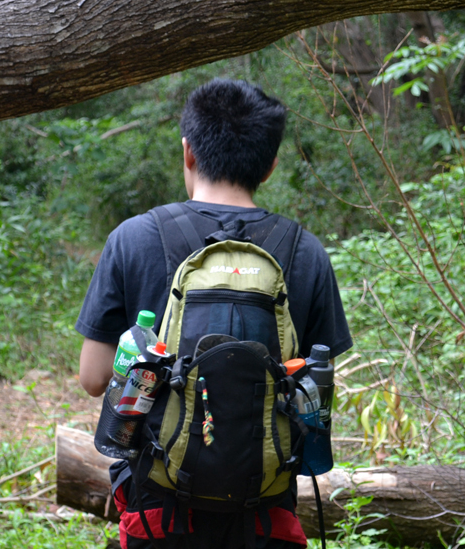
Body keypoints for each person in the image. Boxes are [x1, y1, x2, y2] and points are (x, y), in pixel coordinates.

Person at [75, 78, 353, 549]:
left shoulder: (133, 238)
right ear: (270, 166)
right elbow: (315, 392)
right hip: (264, 513)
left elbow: (93, 377)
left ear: (188, 152)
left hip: (158, 511)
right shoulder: (305, 252)